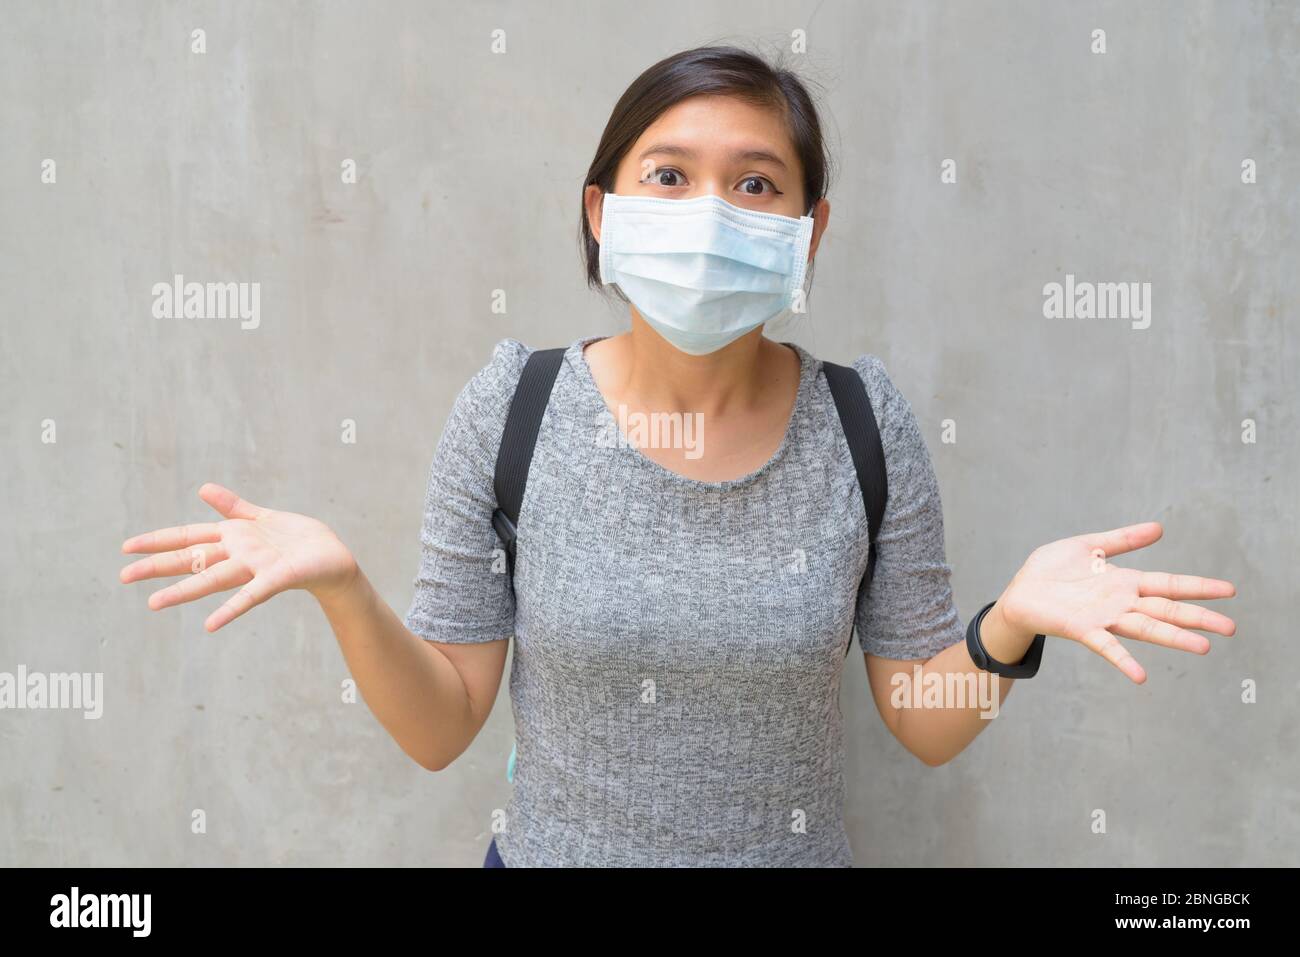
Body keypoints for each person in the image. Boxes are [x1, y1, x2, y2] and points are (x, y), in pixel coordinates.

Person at [119, 45, 1237, 867]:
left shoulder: (863, 424)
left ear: (810, 231)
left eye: (755, 183)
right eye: (668, 176)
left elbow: (924, 723)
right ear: (601, 211)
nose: (711, 211)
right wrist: (344, 588)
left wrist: (1011, 625)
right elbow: (442, 724)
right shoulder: (514, 407)